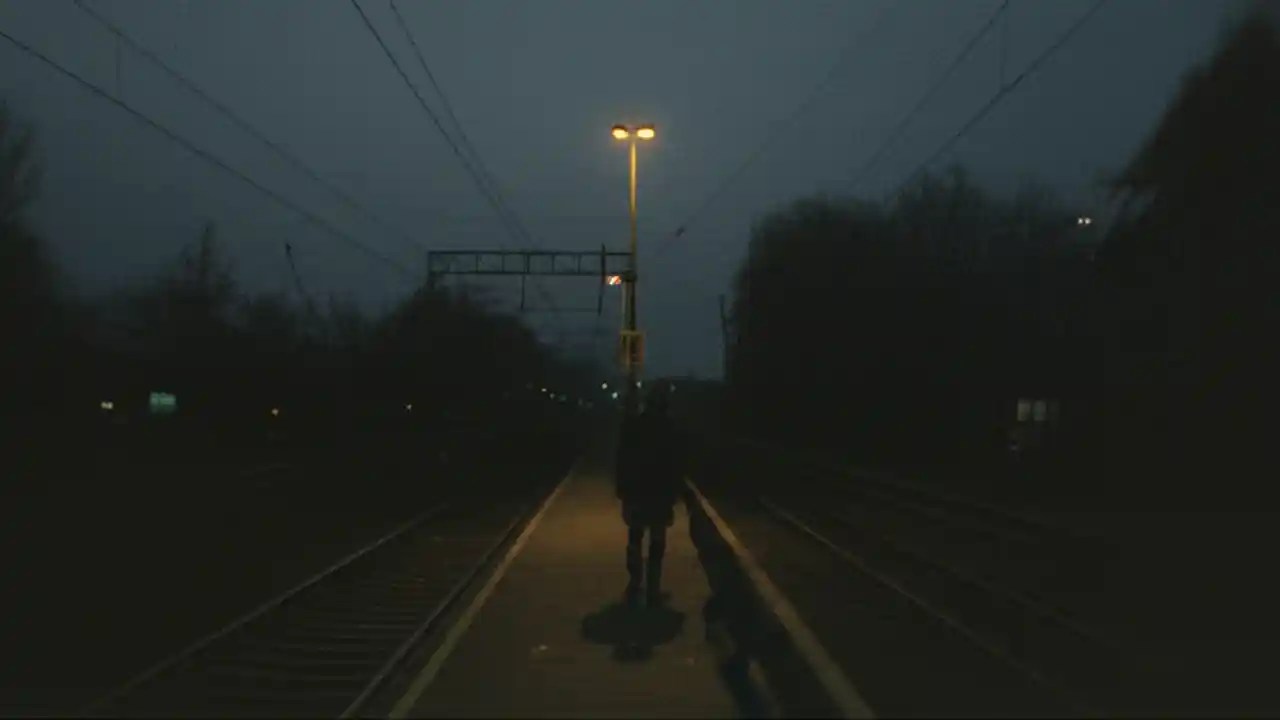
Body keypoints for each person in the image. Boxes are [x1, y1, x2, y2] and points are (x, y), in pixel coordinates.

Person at [614, 381, 684, 607]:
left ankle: (635, 582)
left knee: (635, 536)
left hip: (636, 490)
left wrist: (622, 490)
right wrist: (675, 491)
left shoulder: (633, 425)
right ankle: (653, 586)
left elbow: (622, 459)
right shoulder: (669, 427)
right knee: (657, 539)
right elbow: (675, 463)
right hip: (659, 492)